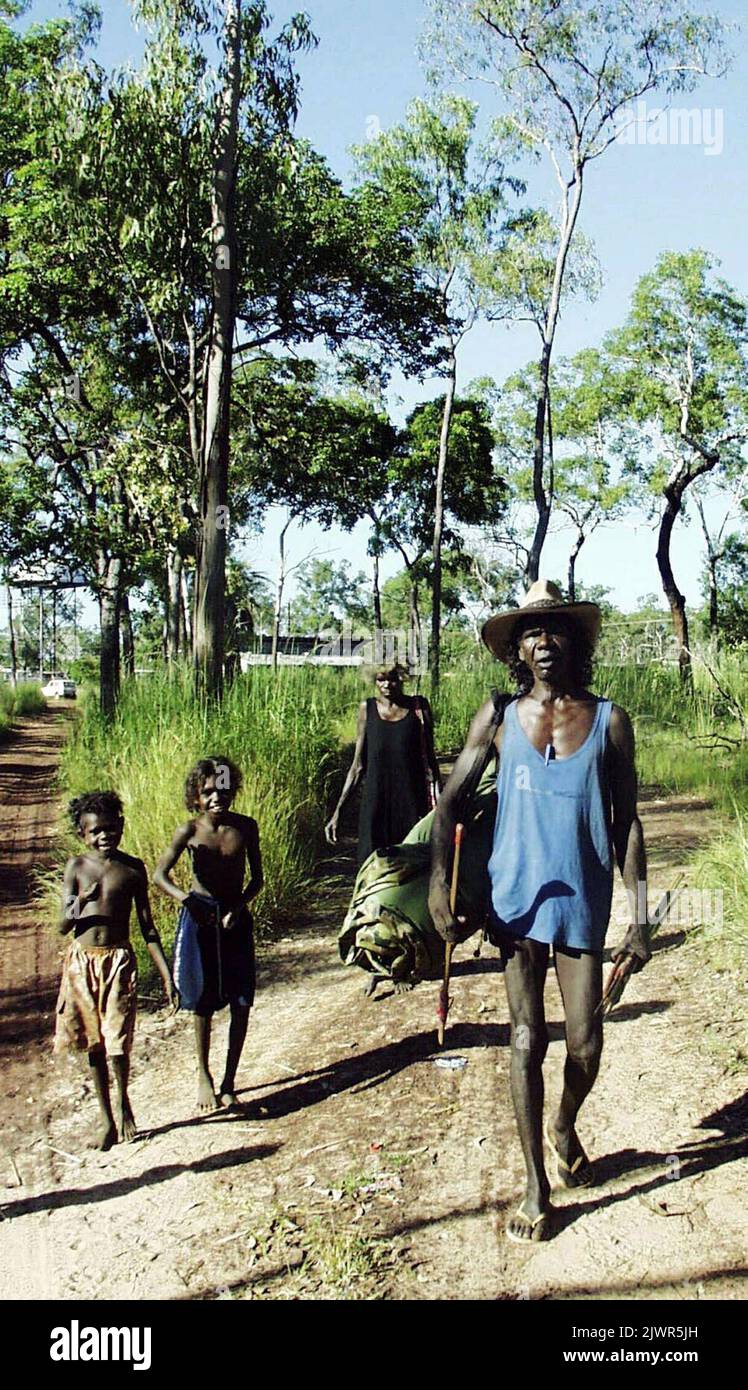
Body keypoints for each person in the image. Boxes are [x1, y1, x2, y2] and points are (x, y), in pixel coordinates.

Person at [428, 580, 650, 1243]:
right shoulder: (496, 720)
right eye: (531, 632)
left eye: (554, 630)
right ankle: (535, 1186)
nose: (543, 641)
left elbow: (628, 823)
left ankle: (563, 1123)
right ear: (516, 650)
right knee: (526, 1039)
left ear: (573, 642)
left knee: (584, 1040)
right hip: (515, 903)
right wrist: (441, 882)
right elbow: (449, 802)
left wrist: (639, 919)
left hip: (582, 901)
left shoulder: (609, 720)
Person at [55, 790, 179, 1150]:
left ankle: (124, 1100)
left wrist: (167, 973)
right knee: (94, 1043)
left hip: (118, 962)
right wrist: (83, 901)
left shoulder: (132, 868)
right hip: (82, 963)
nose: (103, 836)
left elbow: (147, 926)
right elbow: (64, 925)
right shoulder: (76, 868)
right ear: (83, 834)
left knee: (118, 1041)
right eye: (95, 831)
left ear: (121, 827)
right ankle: (106, 1118)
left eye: (110, 829)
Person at [153, 756, 263, 1114]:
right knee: (202, 1001)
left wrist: (240, 906)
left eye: (224, 789)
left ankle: (230, 1081)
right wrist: (187, 900)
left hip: (235, 919)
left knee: (241, 1001)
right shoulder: (188, 831)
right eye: (209, 792)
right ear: (196, 797)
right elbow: (160, 875)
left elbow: (257, 879)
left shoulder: (246, 827)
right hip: (200, 918)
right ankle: (204, 1074)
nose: (218, 797)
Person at [325, 664, 441, 866]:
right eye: (381, 679)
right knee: (371, 870)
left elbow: (430, 762)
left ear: (403, 678)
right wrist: (338, 812)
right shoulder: (367, 709)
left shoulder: (419, 708)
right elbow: (358, 766)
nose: (387, 684)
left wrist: (442, 808)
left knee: (411, 871)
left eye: (392, 678)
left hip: (411, 806)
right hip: (375, 808)